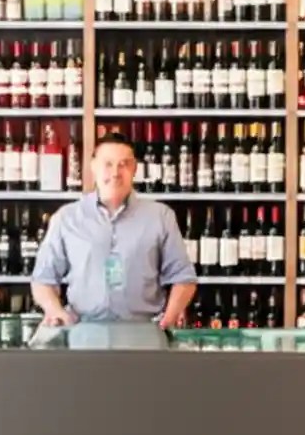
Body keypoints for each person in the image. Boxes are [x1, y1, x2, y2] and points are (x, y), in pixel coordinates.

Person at [31, 132, 197, 328]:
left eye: (124, 164)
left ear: (134, 169)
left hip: (144, 335)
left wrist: (168, 320)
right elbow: (42, 280)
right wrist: (56, 311)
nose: (116, 172)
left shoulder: (160, 217)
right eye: (108, 164)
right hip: (83, 333)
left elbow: (184, 278)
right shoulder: (67, 218)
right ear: (93, 166)